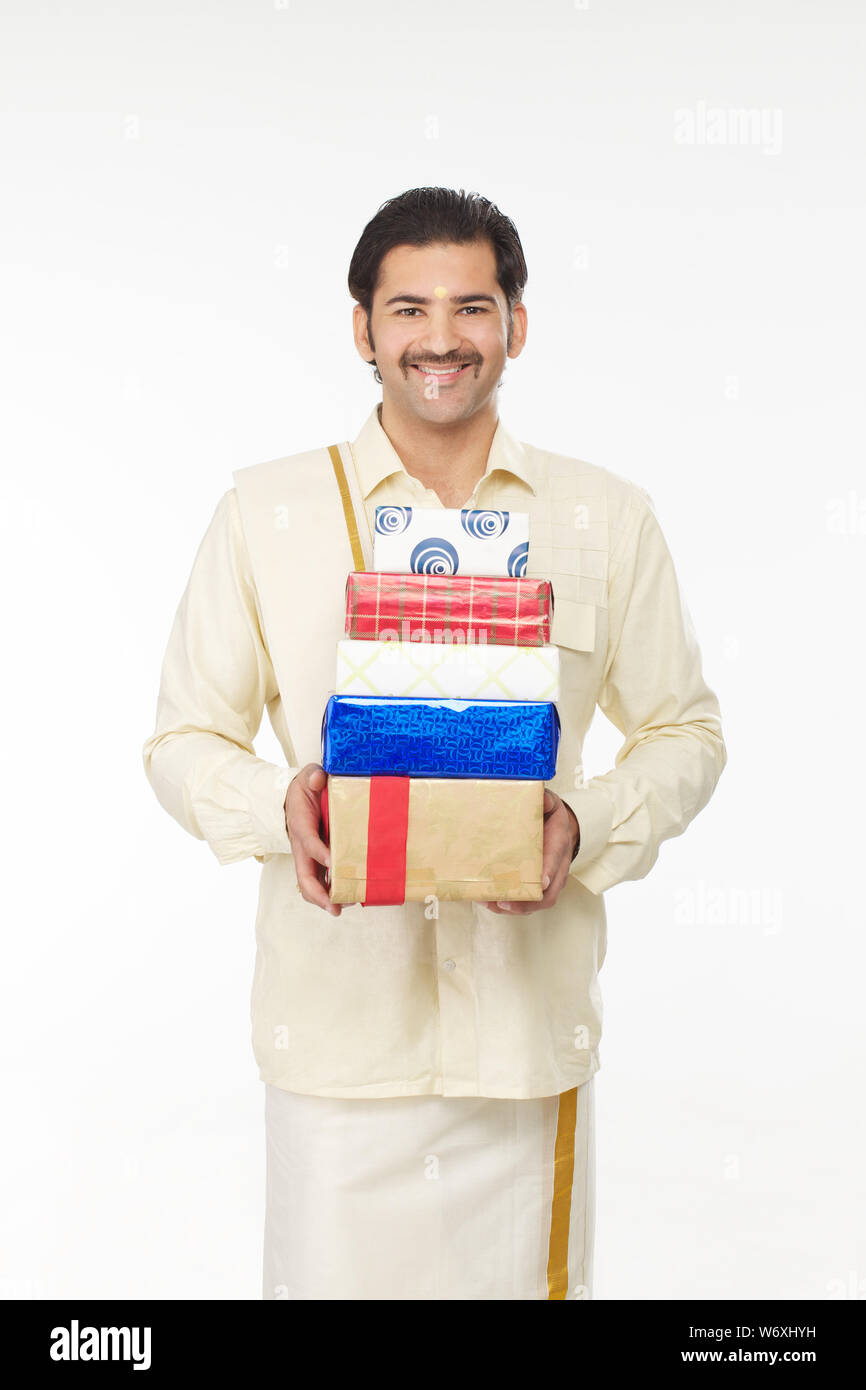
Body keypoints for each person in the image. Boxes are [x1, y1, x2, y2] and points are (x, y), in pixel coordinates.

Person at [141, 186, 727, 1300]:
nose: (441, 337)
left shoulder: (603, 515)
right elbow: (180, 738)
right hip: (334, 1047)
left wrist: (583, 820)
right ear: (362, 328)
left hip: (523, 1050)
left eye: (471, 305)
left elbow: (685, 731)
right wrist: (281, 807)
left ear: (515, 322)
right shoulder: (266, 511)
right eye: (407, 308)